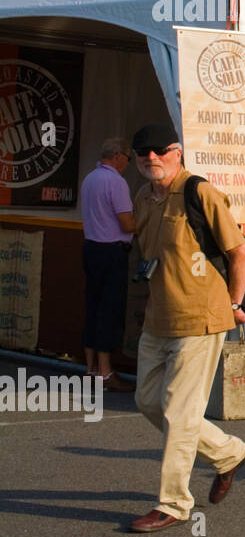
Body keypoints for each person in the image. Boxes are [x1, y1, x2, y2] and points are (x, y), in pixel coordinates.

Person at [127, 123, 245, 533]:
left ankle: (174, 503)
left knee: (180, 412)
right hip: (158, 318)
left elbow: (239, 252)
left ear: (177, 151)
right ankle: (228, 452)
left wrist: (235, 303)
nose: (151, 159)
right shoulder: (144, 198)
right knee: (149, 402)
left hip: (201, 317)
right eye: (143, 153)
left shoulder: (199, 192)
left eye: (160, 151)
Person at [80, 137, 137, 393]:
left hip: (91, 247)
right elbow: (127, 223)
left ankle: (90, 369)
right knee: (109, 310)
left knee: (92, 306)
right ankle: (105, 372)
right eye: (128, 158)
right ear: (118, 155)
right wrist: (146, 221)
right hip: (112, 251)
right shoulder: (116, 182)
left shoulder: (90, 179)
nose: (129, 163)